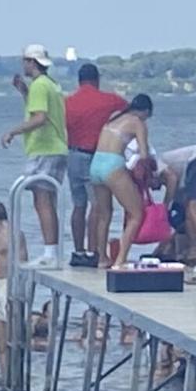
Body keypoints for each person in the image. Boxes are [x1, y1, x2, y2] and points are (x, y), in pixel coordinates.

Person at [0, 44, 68, 268]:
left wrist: (13, 131)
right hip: (57, 147)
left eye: (25, 61)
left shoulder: (40, 85)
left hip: (44, 148)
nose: (23, 66)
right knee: (48, 199)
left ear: (31, 62)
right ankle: (53, 250)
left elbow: (39, 118)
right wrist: (23, 92)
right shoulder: (50, 85)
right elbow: (39, 108)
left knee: (41, 201)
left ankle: (50, 253)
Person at [63, 63, 127, 266]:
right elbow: (128, 107)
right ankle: (93, 252)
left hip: (72, 154)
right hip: (94, 155)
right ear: (96, 79)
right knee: (97, 206)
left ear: (79, 80)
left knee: (78, 205)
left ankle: (78, 251)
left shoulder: (67, 102)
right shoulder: (108, 101)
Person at [89, 95, 153, 268]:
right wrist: (149, 175)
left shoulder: (115, 116)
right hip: (112, 164)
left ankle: (102, 258)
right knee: (137, 213)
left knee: (104, 214)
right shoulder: (138, 123)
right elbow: (144, 155)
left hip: (95, 163)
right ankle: (120, 260)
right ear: (146, 112)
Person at [0, 201, 26, 372]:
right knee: (0, 340)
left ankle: (15, 375)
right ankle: (3, 376)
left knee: (12, 336)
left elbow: (22, 259)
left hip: (10, 283)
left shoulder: (13, 234)